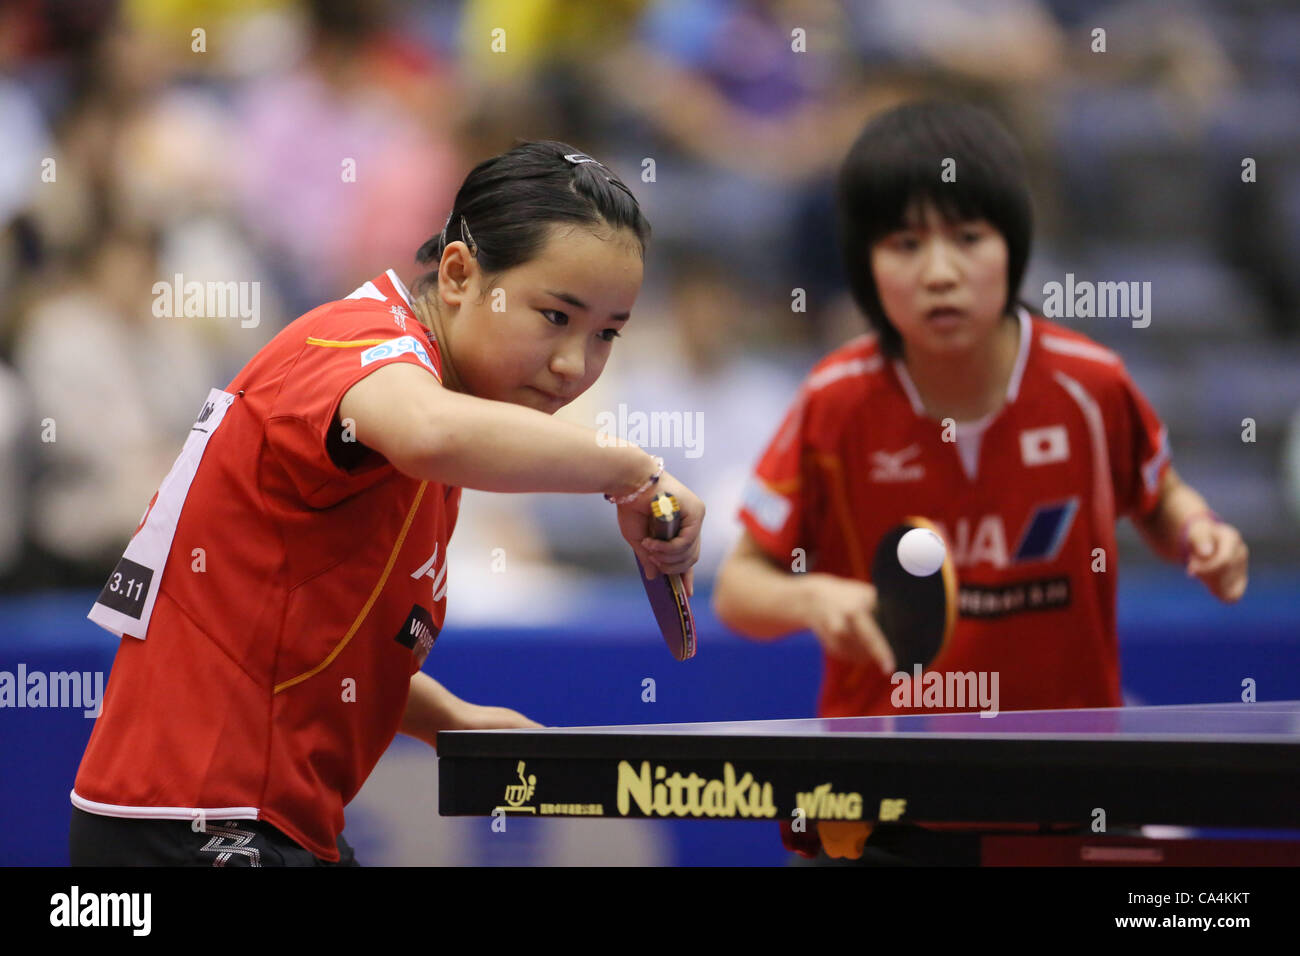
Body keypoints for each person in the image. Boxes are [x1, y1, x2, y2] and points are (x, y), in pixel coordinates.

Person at [69, 140, 704, 866]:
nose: (574, 366)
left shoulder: (446, 416)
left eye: (607, 335)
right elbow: (429, 433)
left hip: (263, 820)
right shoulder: (356, 344)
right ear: (461, 274)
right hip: (191, 820)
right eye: (555, 316)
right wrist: (634, 473)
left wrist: (448, 720)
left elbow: (301, 637)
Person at [711, 101, 1248, 862]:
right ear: (865, 262)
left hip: (1076, 787)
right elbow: (738, 589)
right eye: (904, 243)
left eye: (968, 238)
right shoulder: (835, 403)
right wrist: (810, 596)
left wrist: (1203, 536)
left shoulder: (1090, 386)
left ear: (1012, 246)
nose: (939, 272)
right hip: (883, 801)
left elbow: (1159, 498)